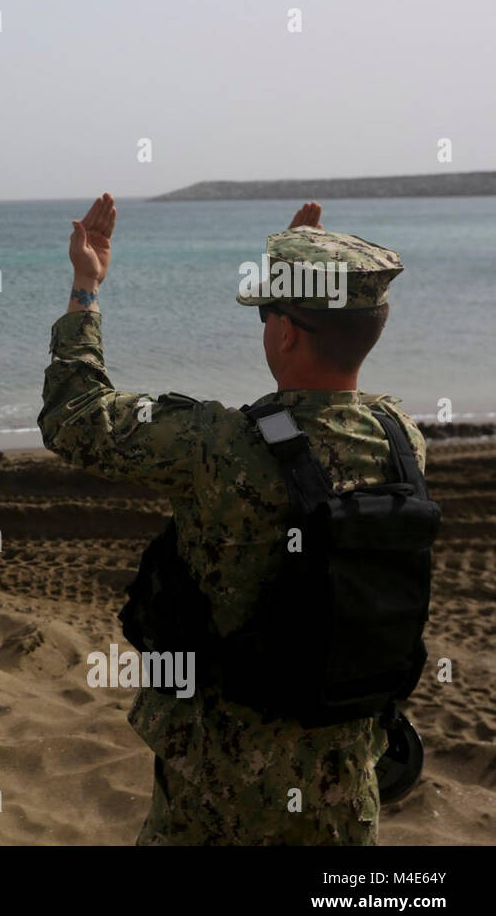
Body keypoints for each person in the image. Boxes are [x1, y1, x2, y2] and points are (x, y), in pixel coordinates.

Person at [38, 195, 427, 845]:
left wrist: (86, 289)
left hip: (218, 794)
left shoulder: (218, 445)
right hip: (342, 783)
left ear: (282, 333)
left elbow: (75, 419)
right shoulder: (401, 441)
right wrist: (304, 278)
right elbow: (311, 408)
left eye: (270, 317)